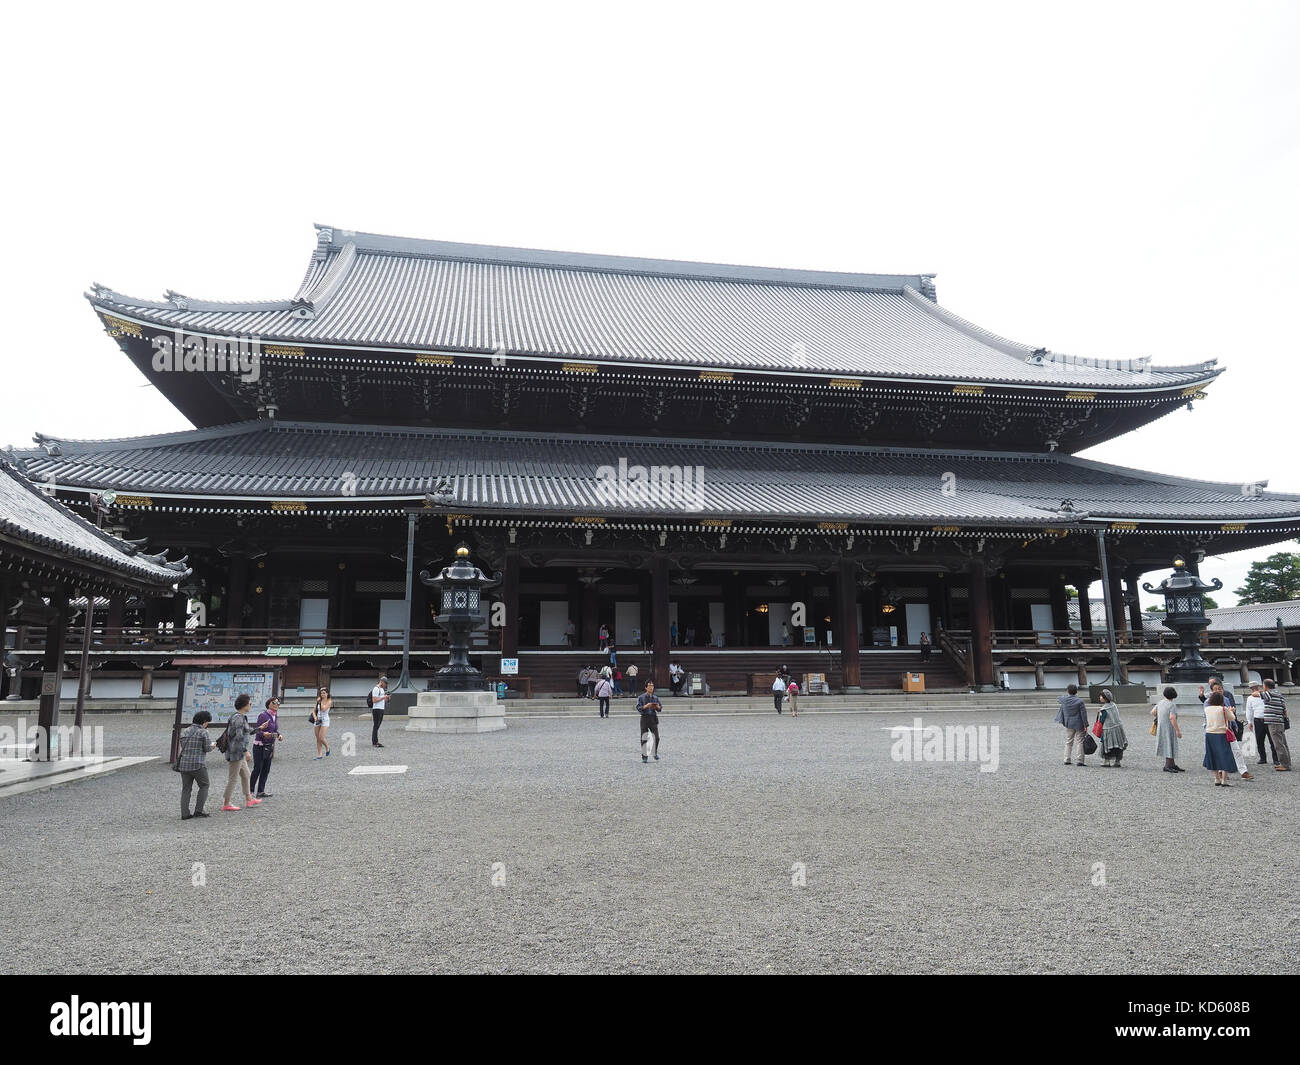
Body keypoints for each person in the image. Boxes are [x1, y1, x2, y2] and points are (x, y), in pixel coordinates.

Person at [221, 694, 261, 811]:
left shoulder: (240, 717)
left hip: (238, 752)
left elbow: (247, 731)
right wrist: (246, 751)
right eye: (250, 703)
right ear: (244, 705)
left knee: (246, 775)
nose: (250, 705)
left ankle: (249, 799)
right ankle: (226, 803)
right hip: (236, 752)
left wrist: (259, 728)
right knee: (233, 778)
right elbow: (239, 736)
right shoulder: (238, 718)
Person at [177, 710, 215, 819]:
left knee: (186, 789)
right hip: (198, 764)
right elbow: (207, 748)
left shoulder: (185, 731)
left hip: (184, 764)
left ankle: (185, 814)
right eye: (207, 722)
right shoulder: (203, 732)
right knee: (204, 785)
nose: (207, 724)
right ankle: (199, 810)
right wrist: (213, 745)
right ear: (204, 721)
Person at [1202, 690, 1237, 786]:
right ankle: (1224, 780)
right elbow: (1232, 718)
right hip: (1221, 733)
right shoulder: (1223, 709)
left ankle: (1216, 778)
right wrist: (1231, 711)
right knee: (1225, 755)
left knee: (1213, 755)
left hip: (1209, 733)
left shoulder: (1207, 709)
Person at [250, 696, 283, 798]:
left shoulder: (274, 715)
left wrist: (279, 734)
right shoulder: (263, 715)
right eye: (274, 703)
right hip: (260, 745)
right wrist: (264, 734)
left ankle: (260, 791)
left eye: (278, 703)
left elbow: (274, 729)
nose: (276, 705)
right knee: (257, 769)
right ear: (269, 704)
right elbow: (257, 730)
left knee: (266, 769)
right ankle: (250, 791)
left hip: (269, 746)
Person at [1260, 679, 1291, 771]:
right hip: (1280, 721)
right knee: (1283, 743)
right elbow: (1284, 709)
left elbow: (1256, 694)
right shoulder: (1279, 694)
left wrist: (1258, 690)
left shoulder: (1269, 693)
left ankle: (1285, 765)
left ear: (1266, 686)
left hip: (1273, 722)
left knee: (1278, 744)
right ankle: (1287, 762)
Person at [1054, 683, 1089, 765]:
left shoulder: (1064, 700)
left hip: (1068, 723)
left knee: (1069, 741)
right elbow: (1084, 714)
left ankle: (1067, 759)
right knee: (1080, 741)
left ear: (1067, 691)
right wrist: (1086, 724)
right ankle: (1080, 760)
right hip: (1079, 723)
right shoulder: (1080, 701)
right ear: (1076, 692)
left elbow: (1058, 698)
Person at [1153, 685, 1184, 773]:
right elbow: (1172, 718)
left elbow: (1153, 712)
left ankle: (1172, 764)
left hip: (1161, 726)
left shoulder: (1160, 702)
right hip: (1169, 727)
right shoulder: (1172, 705)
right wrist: (1178, 730)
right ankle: (1167, 765)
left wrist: (1161, 716)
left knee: (1167, 744)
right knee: (1170, 744)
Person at [1096, 689, 1127, 767]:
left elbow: (1102, 721)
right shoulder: (1114, 705)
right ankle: (1117, 761)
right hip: (1118, 727)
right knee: (1118, 745)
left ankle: (1107, 761)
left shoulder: (1104, 709)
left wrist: (1099, 713)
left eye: (1101, 696)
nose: (1100, 697)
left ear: (1104, 698)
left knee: (1107, 745)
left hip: (1108, 729)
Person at [1245, 681, 1274, 764]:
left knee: (1272, 740)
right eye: (1253, 687)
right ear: (1251, 689)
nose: (1255, 688)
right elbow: (1249, 710)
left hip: (1268, 718)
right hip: (1258, 719)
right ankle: (1263, 758)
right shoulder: (1250, 698)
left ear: (1259, 686)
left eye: (1256, 687)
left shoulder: (1265, 695)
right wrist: (1249, 721)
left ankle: (1276, 759)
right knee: (1259, 740)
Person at [636, 680, 663, 763]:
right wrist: (646, 706)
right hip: (644, 718)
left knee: (657, 737)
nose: (651, 687)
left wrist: (658, 707)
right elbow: (638, 708)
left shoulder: (655, 697)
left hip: (653, 718)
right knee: (644, 737)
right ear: (646, 687)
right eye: (649, 685)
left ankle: (654, 752)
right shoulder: (641, 697)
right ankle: (645, 756)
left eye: (652, 685)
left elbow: (660, 708)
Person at [370, 675, 390, 748]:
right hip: (376, 709)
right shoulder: (376, 689)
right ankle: (375, 742)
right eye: (385, 683)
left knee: (378, 725)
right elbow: (374, 700)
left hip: (381, 708)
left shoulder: (382, 689)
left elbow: (382, 699)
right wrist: (383, 697)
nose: (386, 685)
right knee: (376, 725)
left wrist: (387, 698)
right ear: (381, 682)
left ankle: (375, 741)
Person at [312, 687, 332, 759]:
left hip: (325, 720)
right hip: (317, 720)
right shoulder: (318, 701)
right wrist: (315, 718)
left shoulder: (329, 701)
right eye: (321, 693)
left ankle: (327, 747)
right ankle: (319, 754)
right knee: (317, 738)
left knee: (321, 737)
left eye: (324, 693)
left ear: (327, 693)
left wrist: (320, 702)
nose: (322, 694)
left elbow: (323, 709)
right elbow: (314, 711)